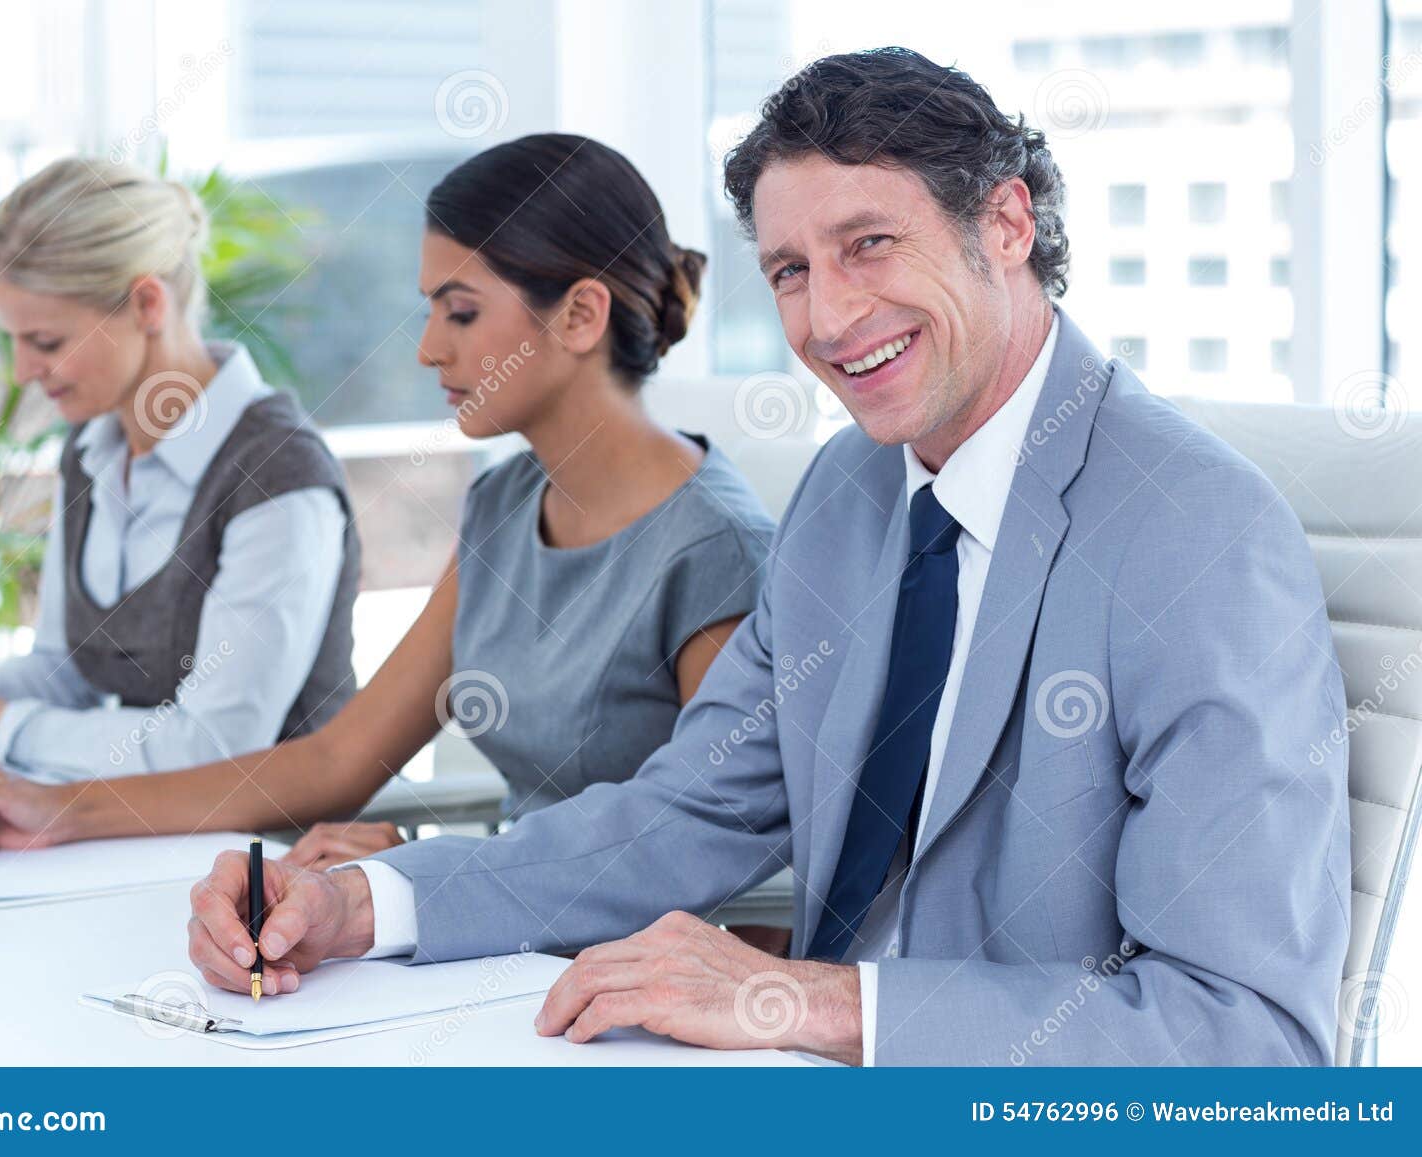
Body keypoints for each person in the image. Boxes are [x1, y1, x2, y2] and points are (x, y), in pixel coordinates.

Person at [185, 49, 1350, 1066]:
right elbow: (683, 812)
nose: (831, 319)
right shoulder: (850, 490)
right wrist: (360, 903)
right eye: (791, 270)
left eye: (870, 244)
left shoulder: (1198, 532)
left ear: (1005, 223)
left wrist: (810, 998)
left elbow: (1248, 1035)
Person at [0, 135, 776, 882]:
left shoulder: (714, 552)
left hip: (624, 991)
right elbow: (335, 759)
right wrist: (56, 809)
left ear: (581, 314)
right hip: (512, 945)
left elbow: (709, 855)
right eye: (431, 309)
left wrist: (420, 868)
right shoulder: (505, 506)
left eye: (461, 311)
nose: (430, 347)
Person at [0, 157, 360, 780]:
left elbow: (218, 747)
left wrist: (7, 729)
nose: (22, 373)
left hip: (272, 856)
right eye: (14, 342)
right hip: (128, 837)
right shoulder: (89, 452)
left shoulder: (277, 475)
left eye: (46, 343)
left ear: (147, 304)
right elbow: (63, 670)